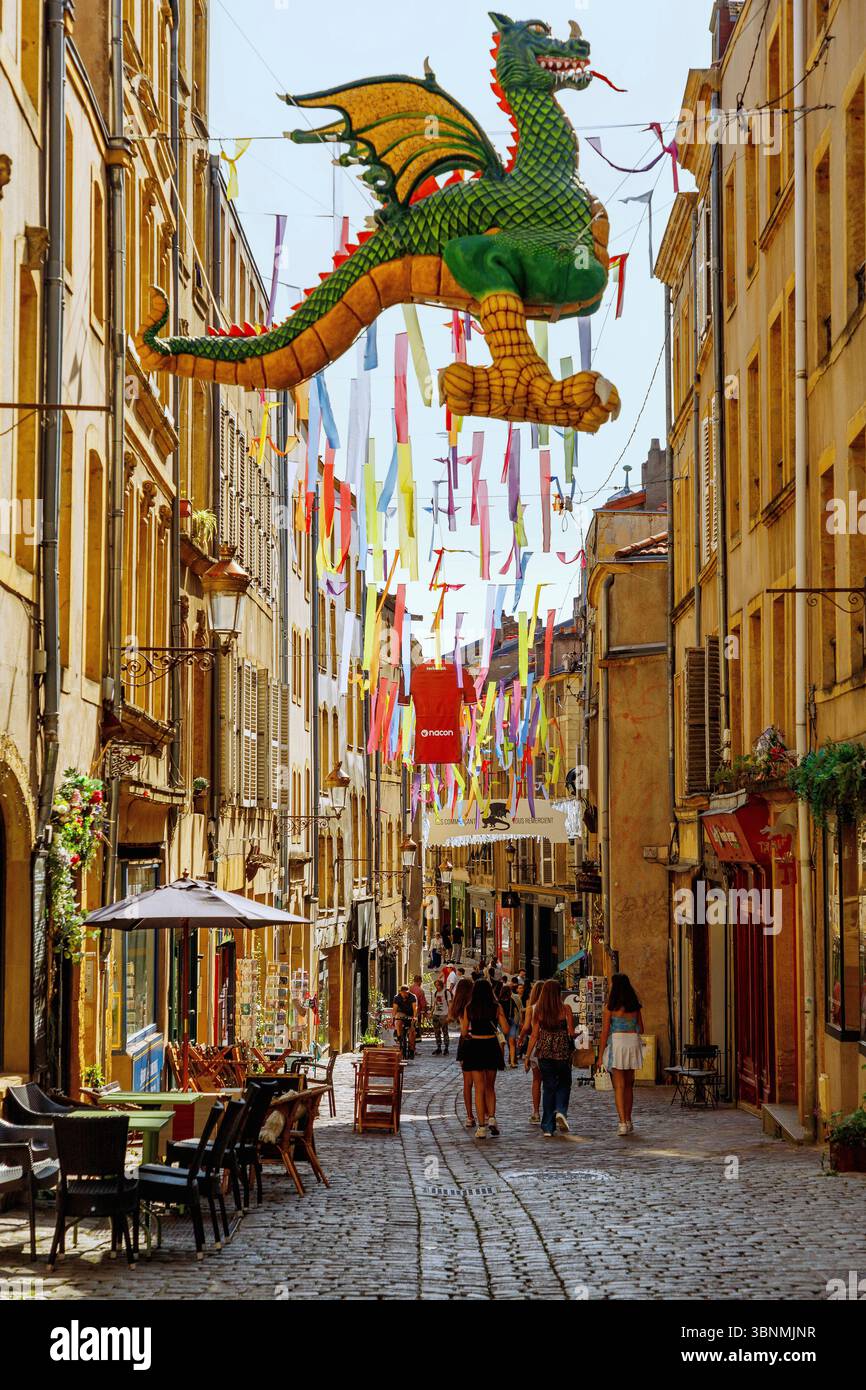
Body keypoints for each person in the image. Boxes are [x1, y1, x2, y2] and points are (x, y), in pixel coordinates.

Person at [525, 978, 575, 1137]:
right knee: (564, 1083)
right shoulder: (565, 1009)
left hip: (544, 1052)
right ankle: (560, 1110)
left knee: (548, 1087)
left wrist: (527, 1056)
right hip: (562, 1052)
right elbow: (571, 1033)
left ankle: (548, 1126)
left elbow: (534, 1035)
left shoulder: (538, 1010)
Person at [459, 978, 508, 1139]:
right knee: (490, 1087)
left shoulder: (469, 1008)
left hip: (475, 1046)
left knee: (478, 1088)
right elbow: (506, 1028)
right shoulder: (496, 1007)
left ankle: (481, 1127)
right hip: (491, 1046)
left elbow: (464, 1032)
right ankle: (492, 1118)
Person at [596, 973, 644, 1136]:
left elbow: (604, 1032)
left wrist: (600, 1054)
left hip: (617, 1043)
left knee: (619, 1085)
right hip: (632, 1042)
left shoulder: (610, 1007)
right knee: (630, 1084)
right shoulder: (635, 1006)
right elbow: (641, 1029)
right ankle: (629, 1120)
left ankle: (622, 1122)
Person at [449, 977, 475, 1127]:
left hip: (464, 1042)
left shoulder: (458, 1005)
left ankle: (470, 1116)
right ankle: (483, 1113)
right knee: (480, 1081)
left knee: (467, 1082)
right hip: (476, 1037)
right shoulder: (474, 1004)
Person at [519, 981, 544, 1123]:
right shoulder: (552, 1007)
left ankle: (536, 1112)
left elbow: (527, 1027)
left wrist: (521, 1037)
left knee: (536, 1080)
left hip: (536, 1046)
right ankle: (551, 1110)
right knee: (550, 1081)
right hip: (551, 1046)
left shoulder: (532, 1008)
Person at [499, 985, 521, 1068]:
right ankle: (512, 1062)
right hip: (510, 1022)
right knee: (511, 1042)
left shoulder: (498, 1002)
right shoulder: (511, 1000)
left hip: (501, 1023)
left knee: (502, 1043)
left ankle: (502, 1063)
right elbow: (517, 1011)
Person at [392, 983, 417, 1059]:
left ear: (408, 992)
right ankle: (399, 1037)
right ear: (400, 992)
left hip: (411, 1014)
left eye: (406, 993)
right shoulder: (397, 997)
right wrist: (394, 1018)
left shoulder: (412, 997)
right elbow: (395, 1009)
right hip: (402, 1014)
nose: (404, 995)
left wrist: (414, 1017)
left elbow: (415, 1008)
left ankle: (412, 1050)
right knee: (398, 1019)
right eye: (403, 993)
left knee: (412, 1032)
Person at [408, 975, 428, 1056]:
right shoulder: (420, 991)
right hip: (416, 1013)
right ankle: (413, 1049)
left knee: (408, 1030)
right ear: (419, 981)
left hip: (407, 1012)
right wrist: (425, 1012)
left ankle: (407, 1047)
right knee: (414, 1032)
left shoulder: (409, 988)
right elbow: (423, 1003)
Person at [431, 977, 452, 1054]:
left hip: (444, 1014)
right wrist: (431, 1012)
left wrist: (449, 1015)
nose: (437, 987)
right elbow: (434, 1004)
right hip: (436, 1014)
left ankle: (446, 1047)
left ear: (441, 985)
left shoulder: (447, 993)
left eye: (438, 985)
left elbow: (450, 1004)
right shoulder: (435, 993)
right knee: (436, 1032)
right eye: (436, 985)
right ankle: (438, 1047)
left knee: (445, 1031)